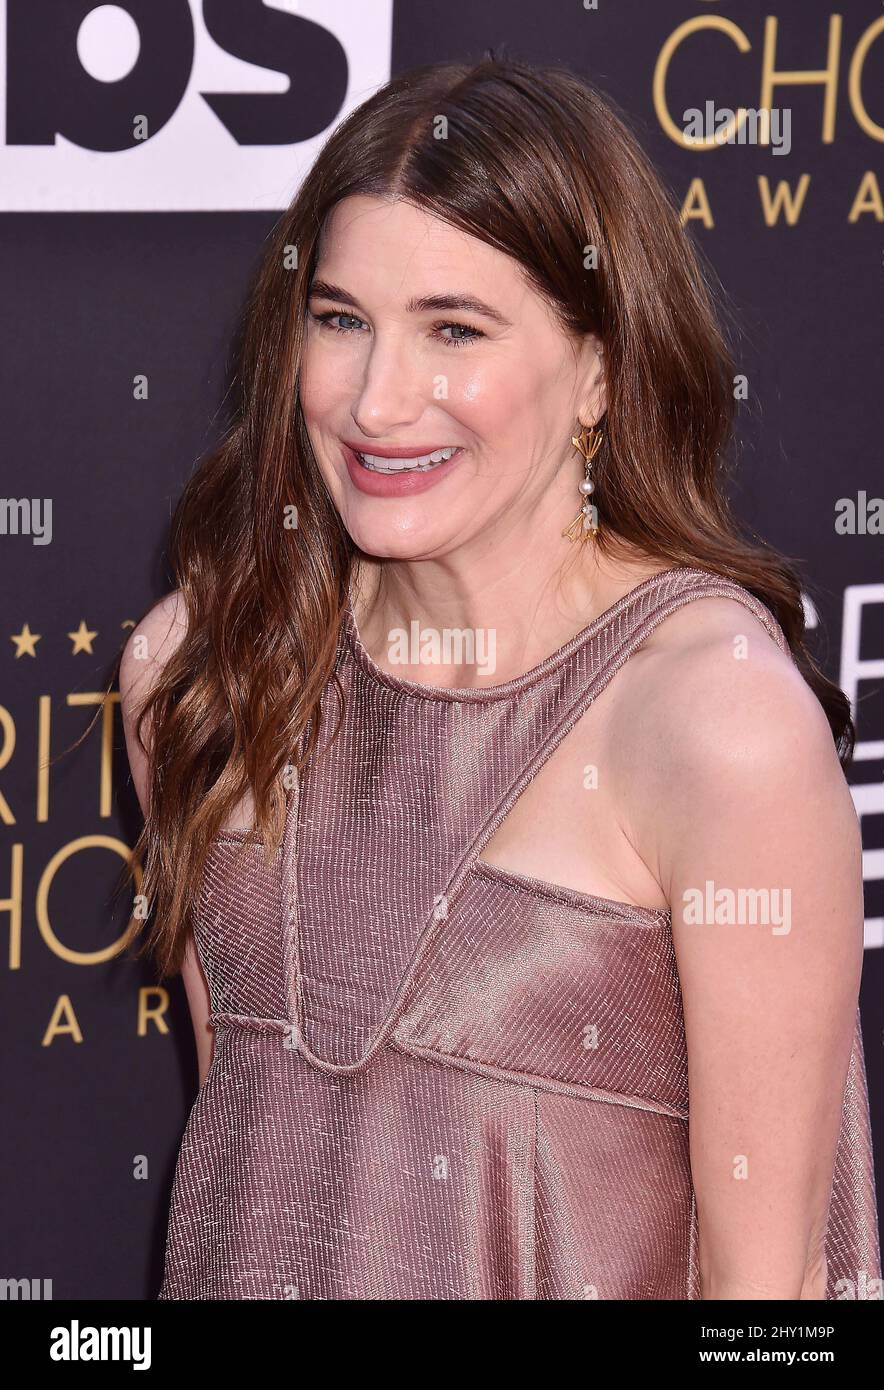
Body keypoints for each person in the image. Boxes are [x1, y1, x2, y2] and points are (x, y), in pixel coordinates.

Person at [119, 57, 880, 1300]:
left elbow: (769, 1294)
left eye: (453, 331)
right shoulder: (202, 674)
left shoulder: (709, 717)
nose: (376, 400)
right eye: (340, 319)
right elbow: (248, 1183)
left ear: (596, 370)